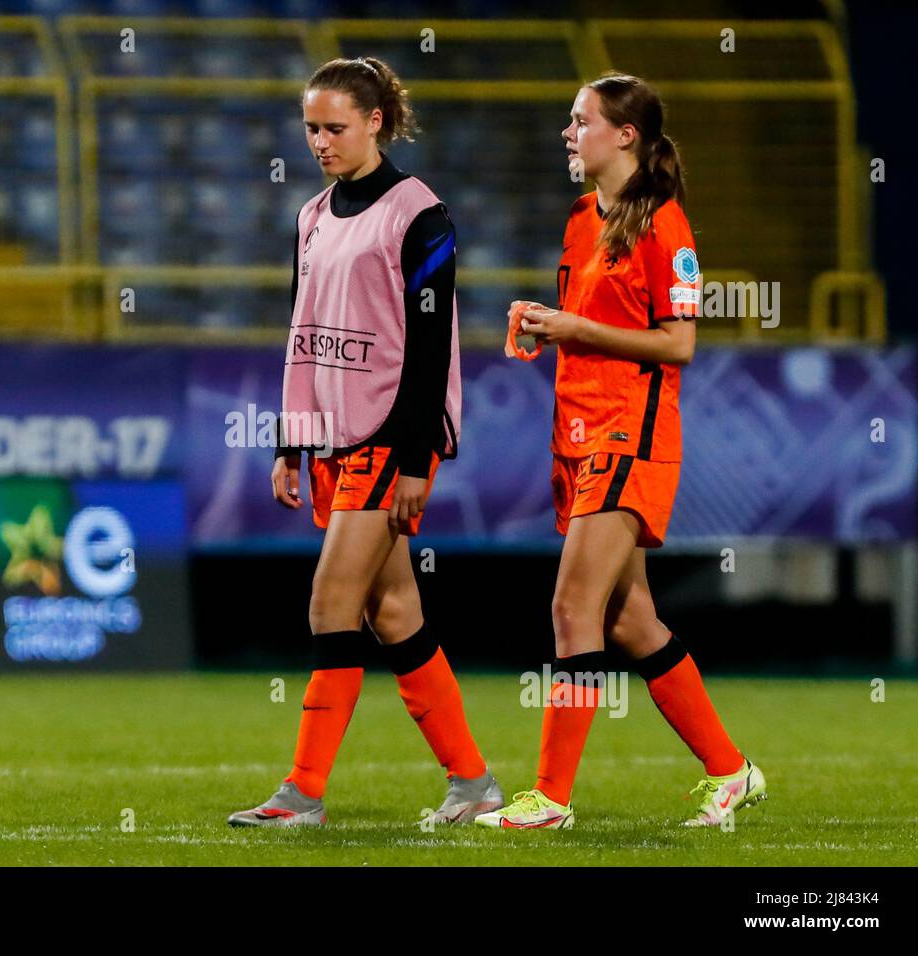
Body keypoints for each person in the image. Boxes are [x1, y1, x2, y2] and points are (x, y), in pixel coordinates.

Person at [476, 73, 766, 830]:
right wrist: (544, 326)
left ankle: (550, 798)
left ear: (625, 135)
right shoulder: (581, 218)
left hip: (629, 436)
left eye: (581, 121)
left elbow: (679, 344)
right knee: (632, 622)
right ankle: (731, 771)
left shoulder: (666, 227)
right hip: (575, 429)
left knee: (572, 606)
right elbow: (586, 319)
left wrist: (576, 331)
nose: (568, 134)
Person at [227, 56, 502, 827]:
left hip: (389, 437)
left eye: (334, 127)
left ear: (376, 122)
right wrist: (293, 441)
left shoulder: (422, 217)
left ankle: (302, 792)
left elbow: (430, 347)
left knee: (330, 599)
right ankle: (474, 784)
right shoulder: (312, 217)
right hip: (335, 440)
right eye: (311, 128)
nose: (320, 141)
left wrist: (418, 460)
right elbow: (303, 337)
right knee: (393, 611)